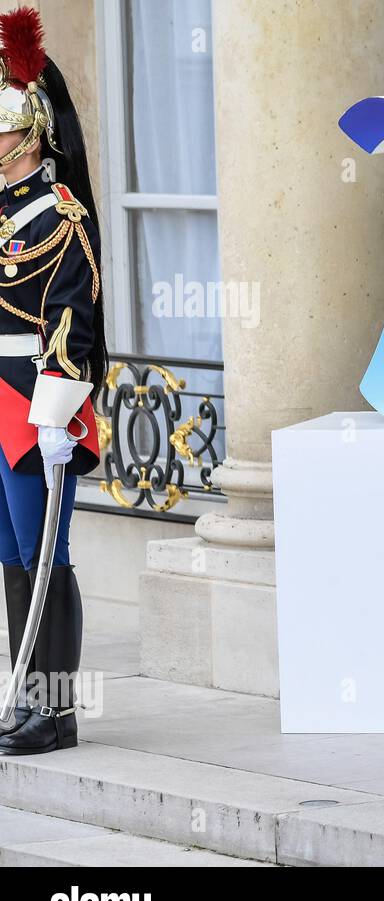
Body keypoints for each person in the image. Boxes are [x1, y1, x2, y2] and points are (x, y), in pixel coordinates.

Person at [0, 6, 106, 755]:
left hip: (37, 407)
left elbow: (73, 322)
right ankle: (22, 695)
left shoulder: (58, 214)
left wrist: (56, 412)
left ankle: (57, 711)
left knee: (48, 555)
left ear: (31, 134)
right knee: (11, 554)